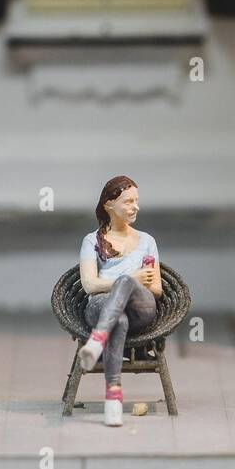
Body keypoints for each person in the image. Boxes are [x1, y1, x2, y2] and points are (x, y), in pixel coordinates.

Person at [78, 175, 162, 426]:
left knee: (126, 283)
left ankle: (97, 341)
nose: (135, 206)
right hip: (101, 306)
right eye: (127, 202)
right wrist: (130, 277)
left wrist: (133, 279)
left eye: (136, 201)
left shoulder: (147, 241)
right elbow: (89, 285)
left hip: (141, 308)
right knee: (119, 321)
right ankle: (113, 396)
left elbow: (156, 289)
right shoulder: (92, 241)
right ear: (109, 205)